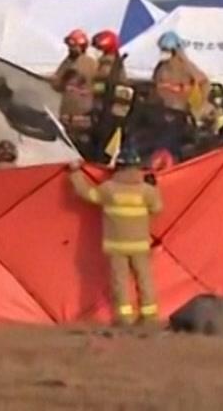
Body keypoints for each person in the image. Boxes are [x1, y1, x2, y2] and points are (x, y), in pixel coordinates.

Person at [70, 151, 162, 326]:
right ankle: (149, 316)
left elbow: (87, 194)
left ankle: (124, 317)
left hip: (116, 245)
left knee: (120, 281)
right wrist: (155, 187)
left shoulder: (108, 189)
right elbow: (157, 208)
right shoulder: (147, 191)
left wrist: (75, 173)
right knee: (144, 279)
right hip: (140, 245)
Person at [49, 29, 101, 150]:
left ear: (82, 46)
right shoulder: (66, 62)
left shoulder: (90, 63)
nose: (70, 49)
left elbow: (94, 84)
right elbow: (57, 85)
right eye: (69, 46)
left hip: (83, 115)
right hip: (67, 114)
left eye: (74, 46)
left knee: (81, 147)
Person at [89, 30, 134, 163]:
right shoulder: (107, 64)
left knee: (101, 153)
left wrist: (117, 119)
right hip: (102, 113)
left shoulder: (110, 66)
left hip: (107, 116)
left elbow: (121, 92)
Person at [150, 32, 209, 119]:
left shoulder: (186, 66)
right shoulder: (160, 67)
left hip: (180, 114)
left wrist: (202, 104)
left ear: (175, 50)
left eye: (166, 49)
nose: (163, 52)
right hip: (162, 113)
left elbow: (204, 83)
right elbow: (155, 87)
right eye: (162, 49)